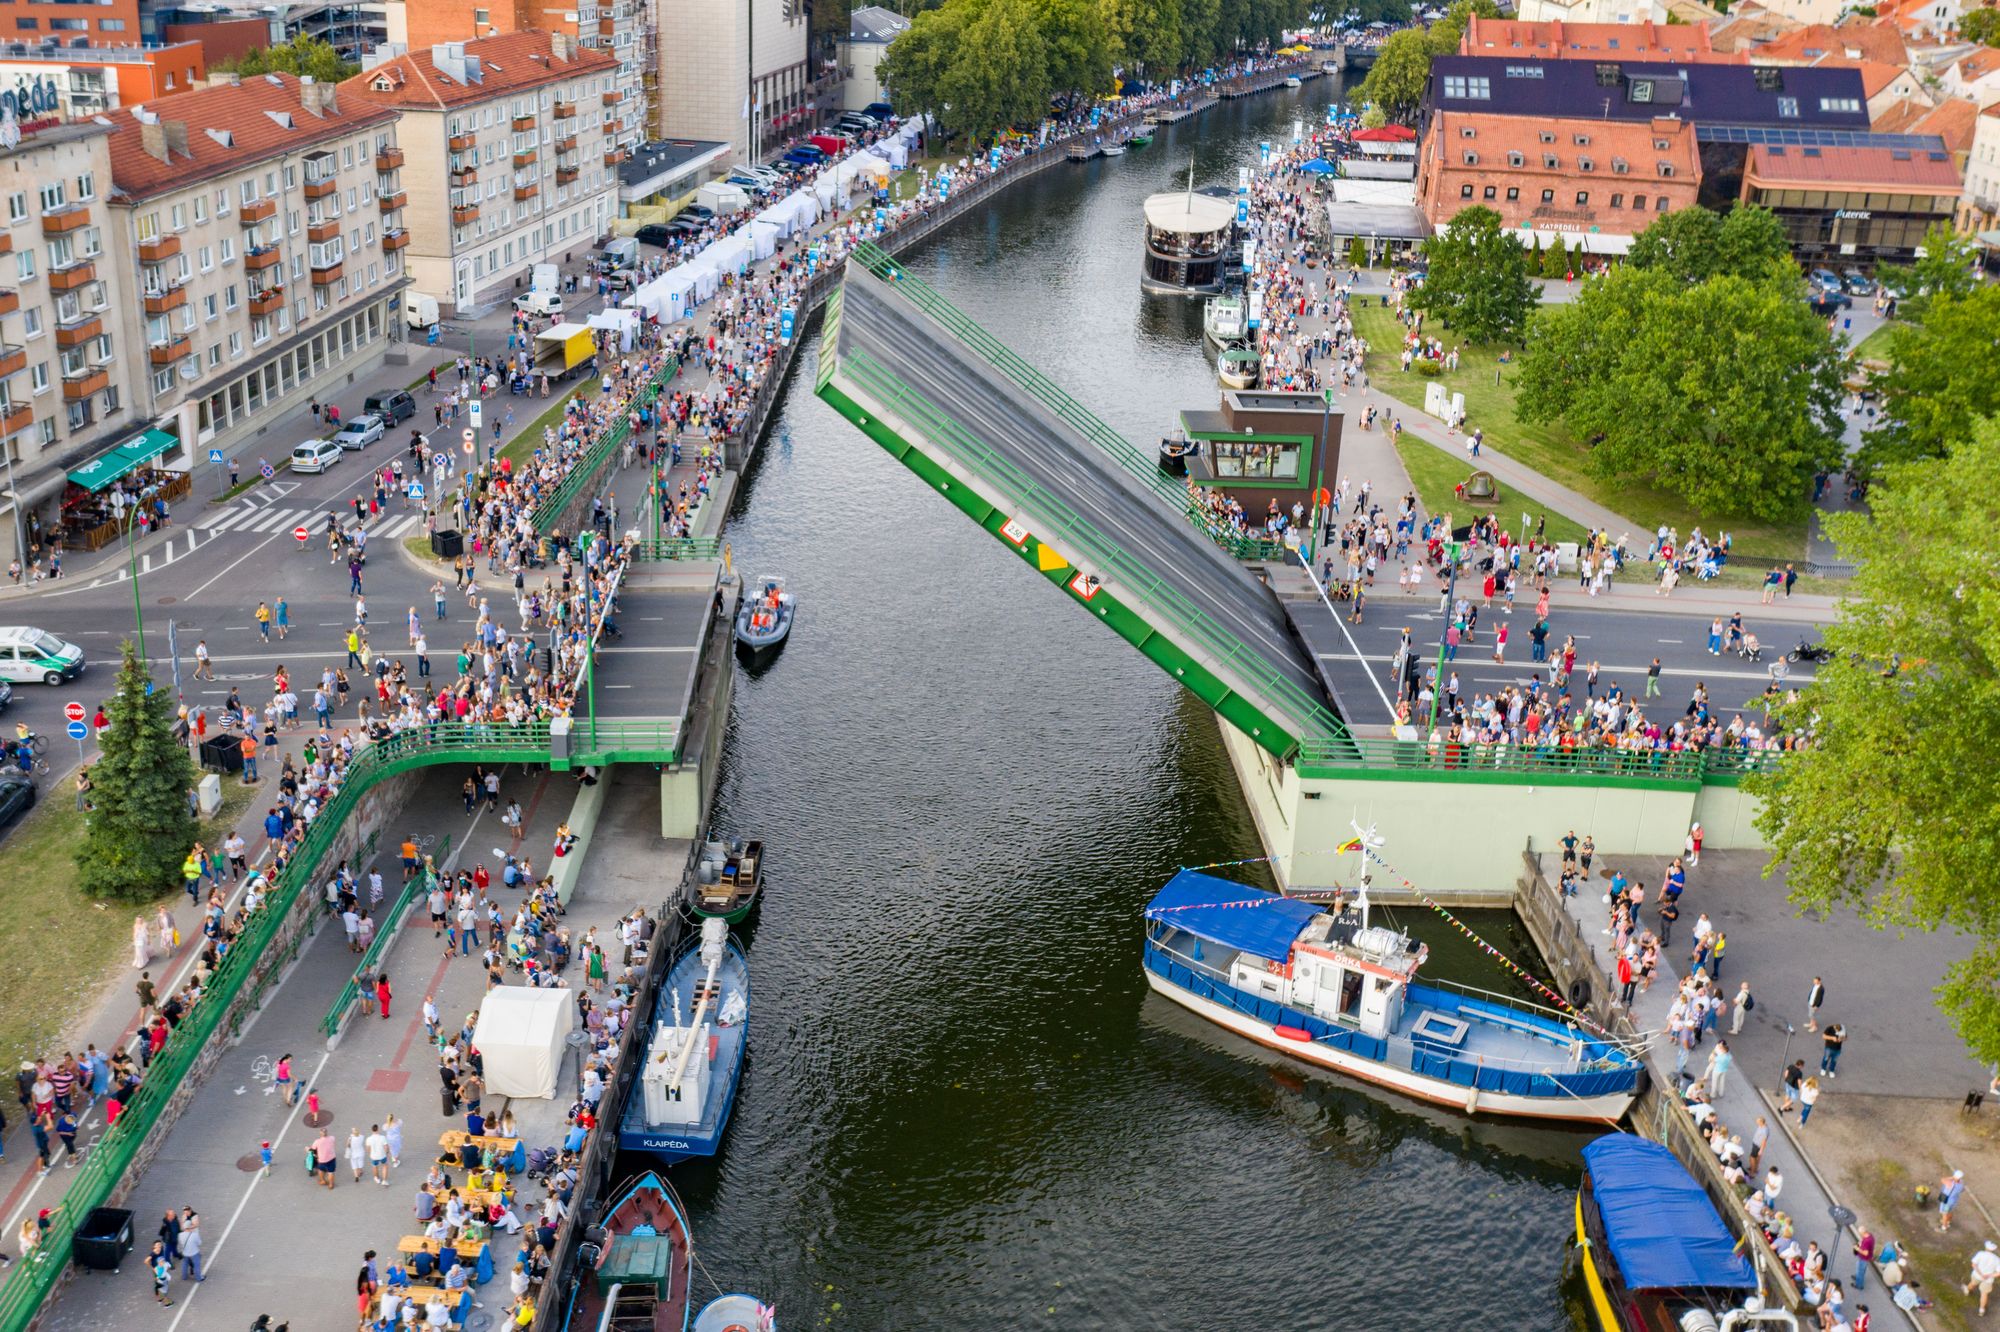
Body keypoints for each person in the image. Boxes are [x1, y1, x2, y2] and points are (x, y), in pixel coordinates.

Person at [1966, 1240, 2000, 1315]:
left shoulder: (1980, 1254)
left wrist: (1980, 1274)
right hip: (1988, 1279)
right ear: (1994, 1249)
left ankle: (1968, 1291)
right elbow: (1998, 1273)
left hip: (1977, 1275)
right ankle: (1981, 1310)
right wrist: (1988, 1275)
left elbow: (1974, 1264)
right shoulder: (1997, 1259)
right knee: (1984, 1294)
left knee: (1972, 1283)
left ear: (1986, 1247)